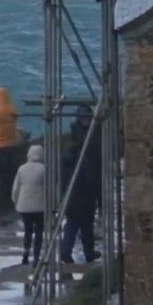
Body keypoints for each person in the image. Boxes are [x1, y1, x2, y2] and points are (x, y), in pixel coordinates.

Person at [60, 105, 102, 264]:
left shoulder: (72, 141)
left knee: (76, 224)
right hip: (83, 190)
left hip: (73, 191)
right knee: (81, 224)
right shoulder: (87, 143)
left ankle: (78, 251)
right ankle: (84, 252)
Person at [12, 144, 45, 266]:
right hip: (40, 206)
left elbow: (16, 188)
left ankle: (25, 253)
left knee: (28, 230)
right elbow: (49, 188)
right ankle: (36, 256)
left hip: (24, 206)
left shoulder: (22, 169)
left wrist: (16, 201)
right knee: (39, 231)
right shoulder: (43, 169)